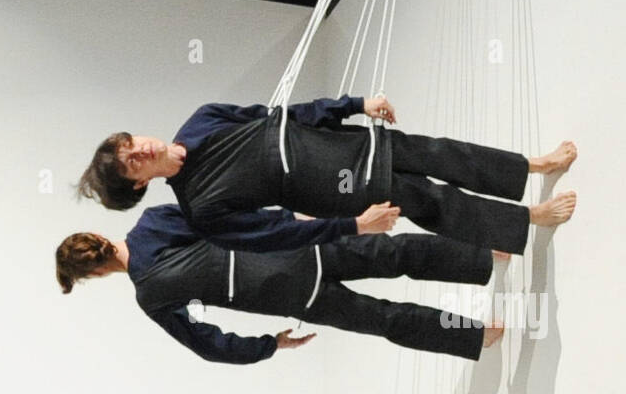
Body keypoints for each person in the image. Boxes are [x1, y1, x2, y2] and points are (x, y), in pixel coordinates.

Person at [78, 94, 577, 254]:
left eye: (130, 143)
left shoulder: (204, 119)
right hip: (341, 188)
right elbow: (278, 234)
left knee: (441, 152)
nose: (140, 149)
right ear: (139, 184)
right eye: (131, 161)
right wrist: (353, 227)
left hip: (343, 143)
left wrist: (355, 104)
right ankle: (530, 218)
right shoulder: (202, 208)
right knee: (431, 201)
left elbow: (282, 114)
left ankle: (532, 164)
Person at [55, 203, 511, 365]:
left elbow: (206, 344)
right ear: (97, 236)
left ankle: (480, 336)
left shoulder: (150, 294)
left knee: (388, 319)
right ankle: (484, 255)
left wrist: (270, 345)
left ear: (94, 275)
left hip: (293, 294)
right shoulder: (153, 222)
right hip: (302, 247)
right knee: (399, 253)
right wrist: (295, 219)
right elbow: (234, 219)